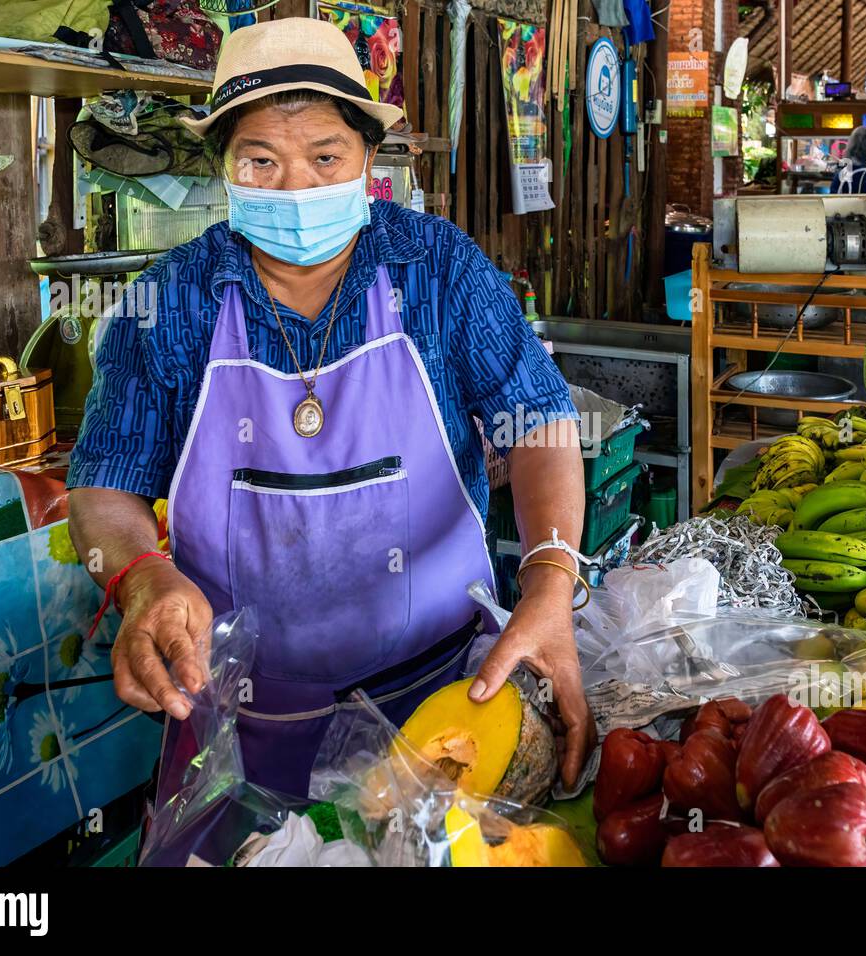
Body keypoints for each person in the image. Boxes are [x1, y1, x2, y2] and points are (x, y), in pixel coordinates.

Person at [66, 18, 594, 809]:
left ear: (365, 161)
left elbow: (540, 424)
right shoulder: (168, 299)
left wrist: (551, 579)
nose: (297, 189)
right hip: (237, 709)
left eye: (324, 157)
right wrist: (142, 577)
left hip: (449, 694)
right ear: (225, 171)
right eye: (261, 161)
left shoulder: (438, 269)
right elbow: (104, 487)